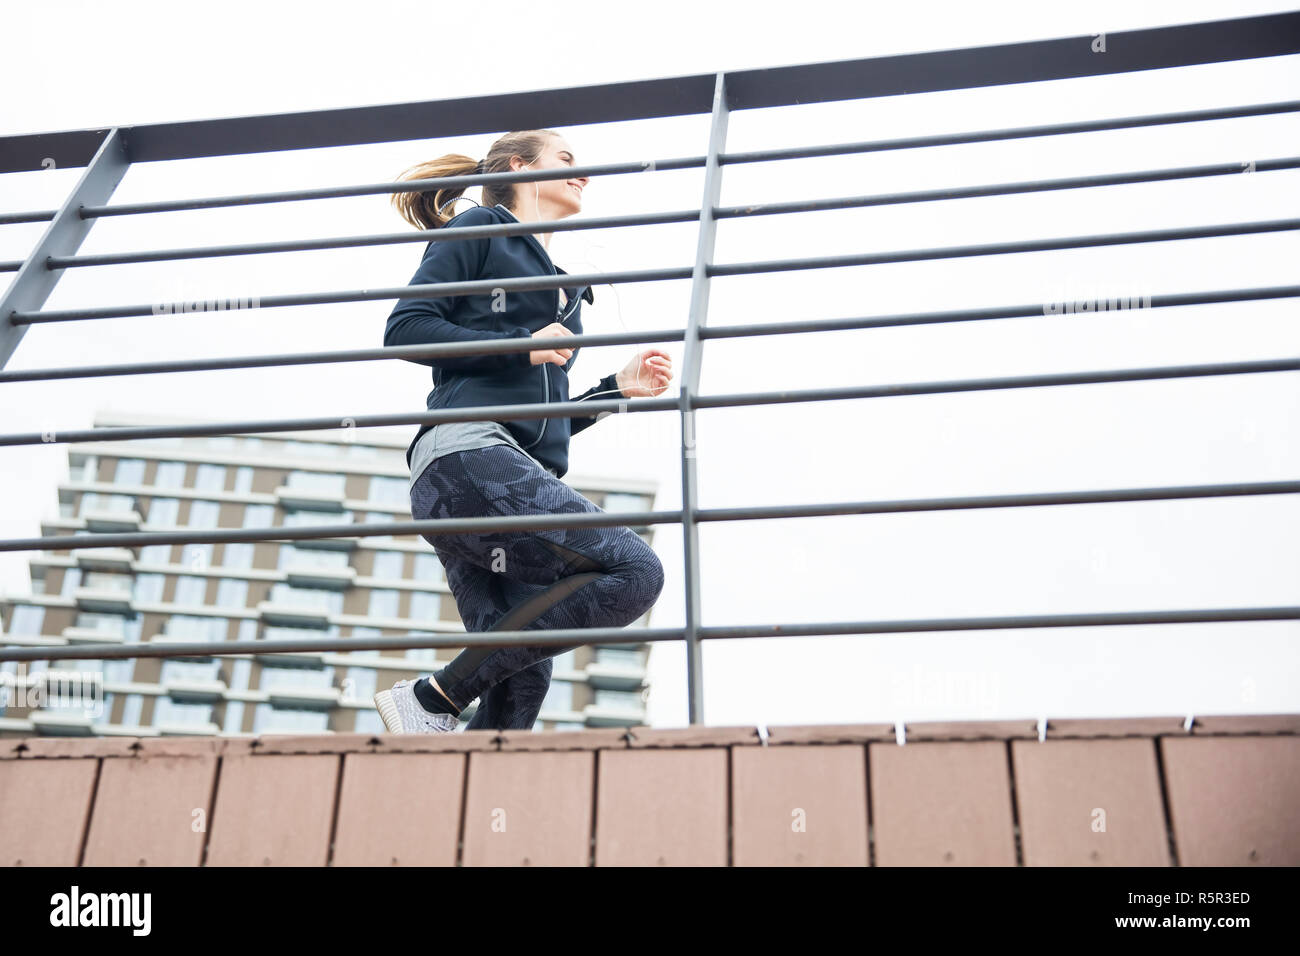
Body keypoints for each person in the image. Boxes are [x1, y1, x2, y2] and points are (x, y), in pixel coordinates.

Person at [373, 129, 672, 734]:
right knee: (637, 572)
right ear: (519, 167)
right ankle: (433, 699)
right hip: (465, 461)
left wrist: (617, 389)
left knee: (520, 672)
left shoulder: (561, 288)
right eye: (566, 161)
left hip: (489, 477)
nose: (582, 174)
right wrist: (519, 345)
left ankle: (469, 809)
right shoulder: (481, 228)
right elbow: (405, 328)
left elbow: (538, 419)